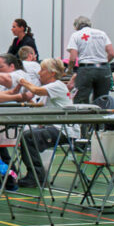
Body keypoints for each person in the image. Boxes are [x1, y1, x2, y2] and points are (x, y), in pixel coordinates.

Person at [14, 58, 74, 188]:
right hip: (55, 127)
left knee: (28, 137)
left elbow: (35, 91)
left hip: (63, 129)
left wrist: (21, 80)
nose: (39, 73)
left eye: (42, 70)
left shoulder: (57, 86)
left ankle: (36, 176)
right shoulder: (48, 89)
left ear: (52, 73)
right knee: (25, 134)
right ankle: (32, 173)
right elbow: (39, 106)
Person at [66, 15, 114, 104]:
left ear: (76, 26)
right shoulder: (102, 33)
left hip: (86, 70)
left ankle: (83, 117)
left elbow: (73, 58)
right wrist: (103, 63)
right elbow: (111, 53)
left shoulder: (76, 35)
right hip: (103, 70)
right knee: (102, 100)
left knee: (81, 99)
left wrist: (69, 70)